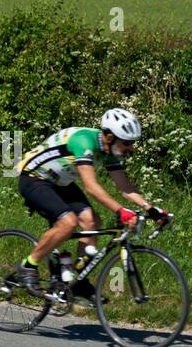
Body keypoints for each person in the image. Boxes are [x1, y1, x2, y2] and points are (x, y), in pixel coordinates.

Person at [13, 108, 165, 301]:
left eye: (132, 143)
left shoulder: (109, 150)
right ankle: (28, 265)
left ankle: (80, 283)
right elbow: (91, 186)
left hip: (60, 183)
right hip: (34, 179)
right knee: (68, 222)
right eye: (127, 143)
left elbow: (124, 186)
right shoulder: (84, 141)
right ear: (109, 136)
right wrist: (120, 211)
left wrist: (150, 208)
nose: (131, 148)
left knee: (91, 221)